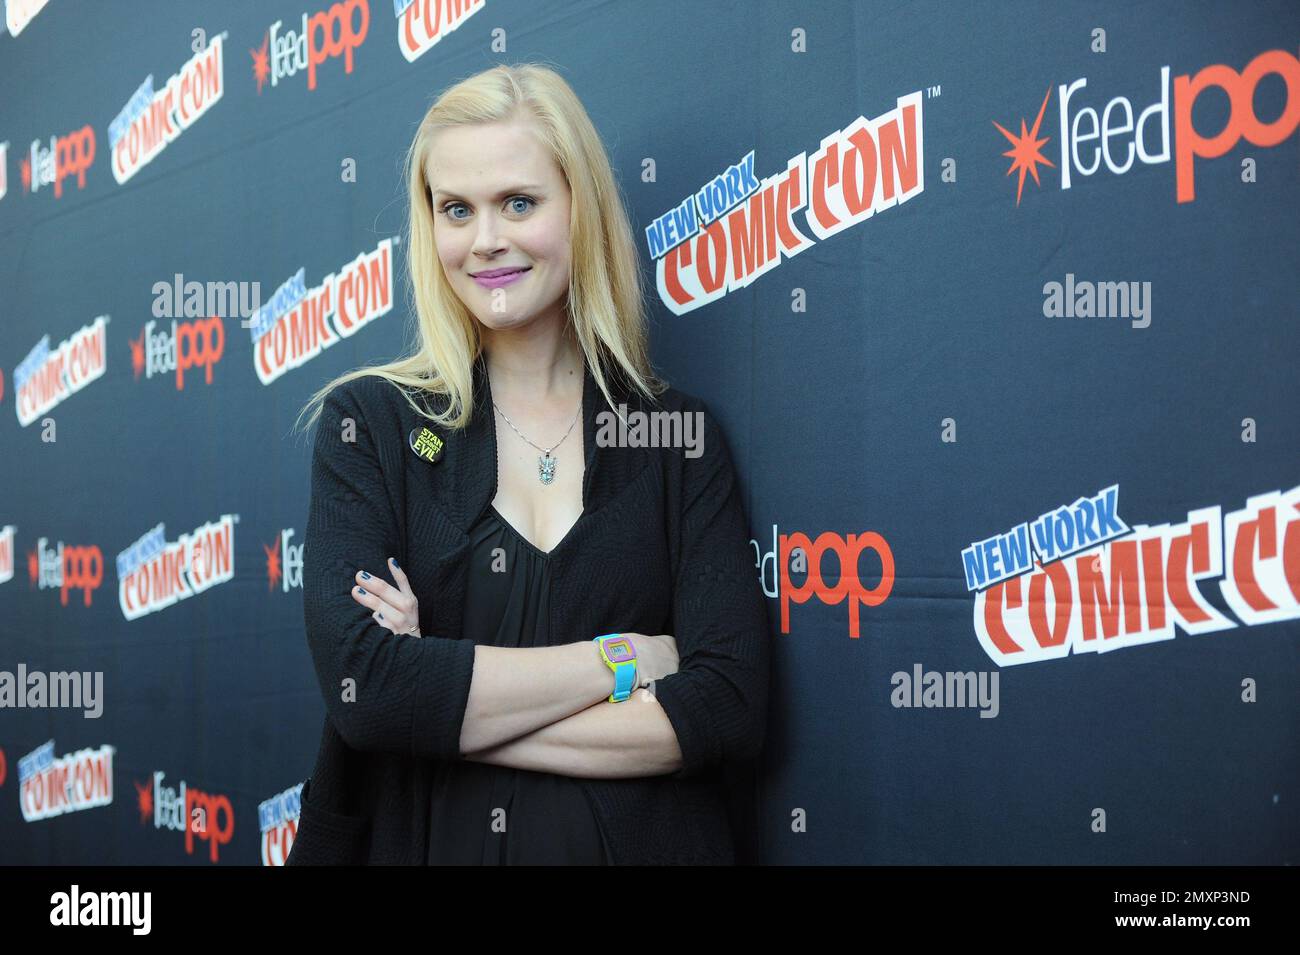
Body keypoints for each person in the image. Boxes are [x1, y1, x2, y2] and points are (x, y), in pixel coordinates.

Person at [288, 63, 769, 865]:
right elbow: (365, 690)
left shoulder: (677, 438)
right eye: (456, 209)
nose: (486, 241)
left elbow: (725, 707)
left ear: (579, 208)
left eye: (519, 202)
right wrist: (624, 660)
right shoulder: (368, 425)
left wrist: (436, 703)